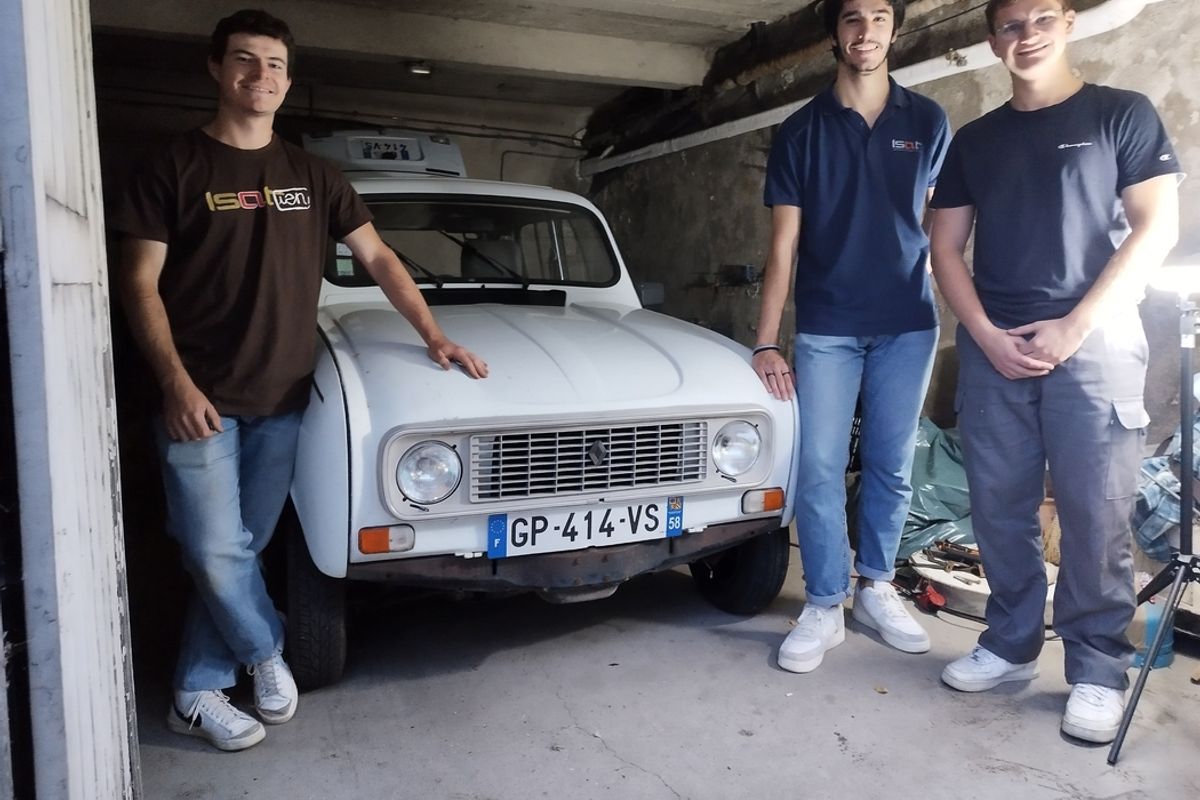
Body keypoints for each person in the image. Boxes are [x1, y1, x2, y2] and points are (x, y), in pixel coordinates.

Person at [112, 9, 488, 752]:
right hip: (200, 401)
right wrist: (175, 384)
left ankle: (194, 689)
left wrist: (435, 335)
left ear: (289, 80)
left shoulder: (313, 175)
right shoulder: (172, 167)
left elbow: (379, 259)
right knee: (212, 547)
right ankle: (265, 650)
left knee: (240, 550)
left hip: (284, 398)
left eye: (276, 65)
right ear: (216, 69)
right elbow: (138, 282)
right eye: (246, 61)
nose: (262, 77)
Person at [929, 0, 1180, 744]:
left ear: (1069, 23)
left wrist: (1076, 325)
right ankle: (1008, 646)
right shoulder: (976, 139)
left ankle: (1098, 668)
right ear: (991, 39)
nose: (1026, 35)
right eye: (1010, 24)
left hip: (1095, 345)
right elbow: (946, 247)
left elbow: (1155, 227)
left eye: (1041, 18)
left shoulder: (1121, 114)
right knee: (999, 507)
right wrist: (982, 333)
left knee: (1095, 513)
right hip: (994, 347)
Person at [754, 0, 949, 673]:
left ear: (895, 28)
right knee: (819, 464)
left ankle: (877, 586)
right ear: (834, 33)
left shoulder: (927, 121)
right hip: (829, 324)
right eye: (851, 19)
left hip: (909, 324)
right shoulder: (800, 130)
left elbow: (943, 232)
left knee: (894, 464)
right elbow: (783, 246)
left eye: (878, 16)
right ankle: (824, 600)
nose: (864, 31)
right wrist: (766, 340)